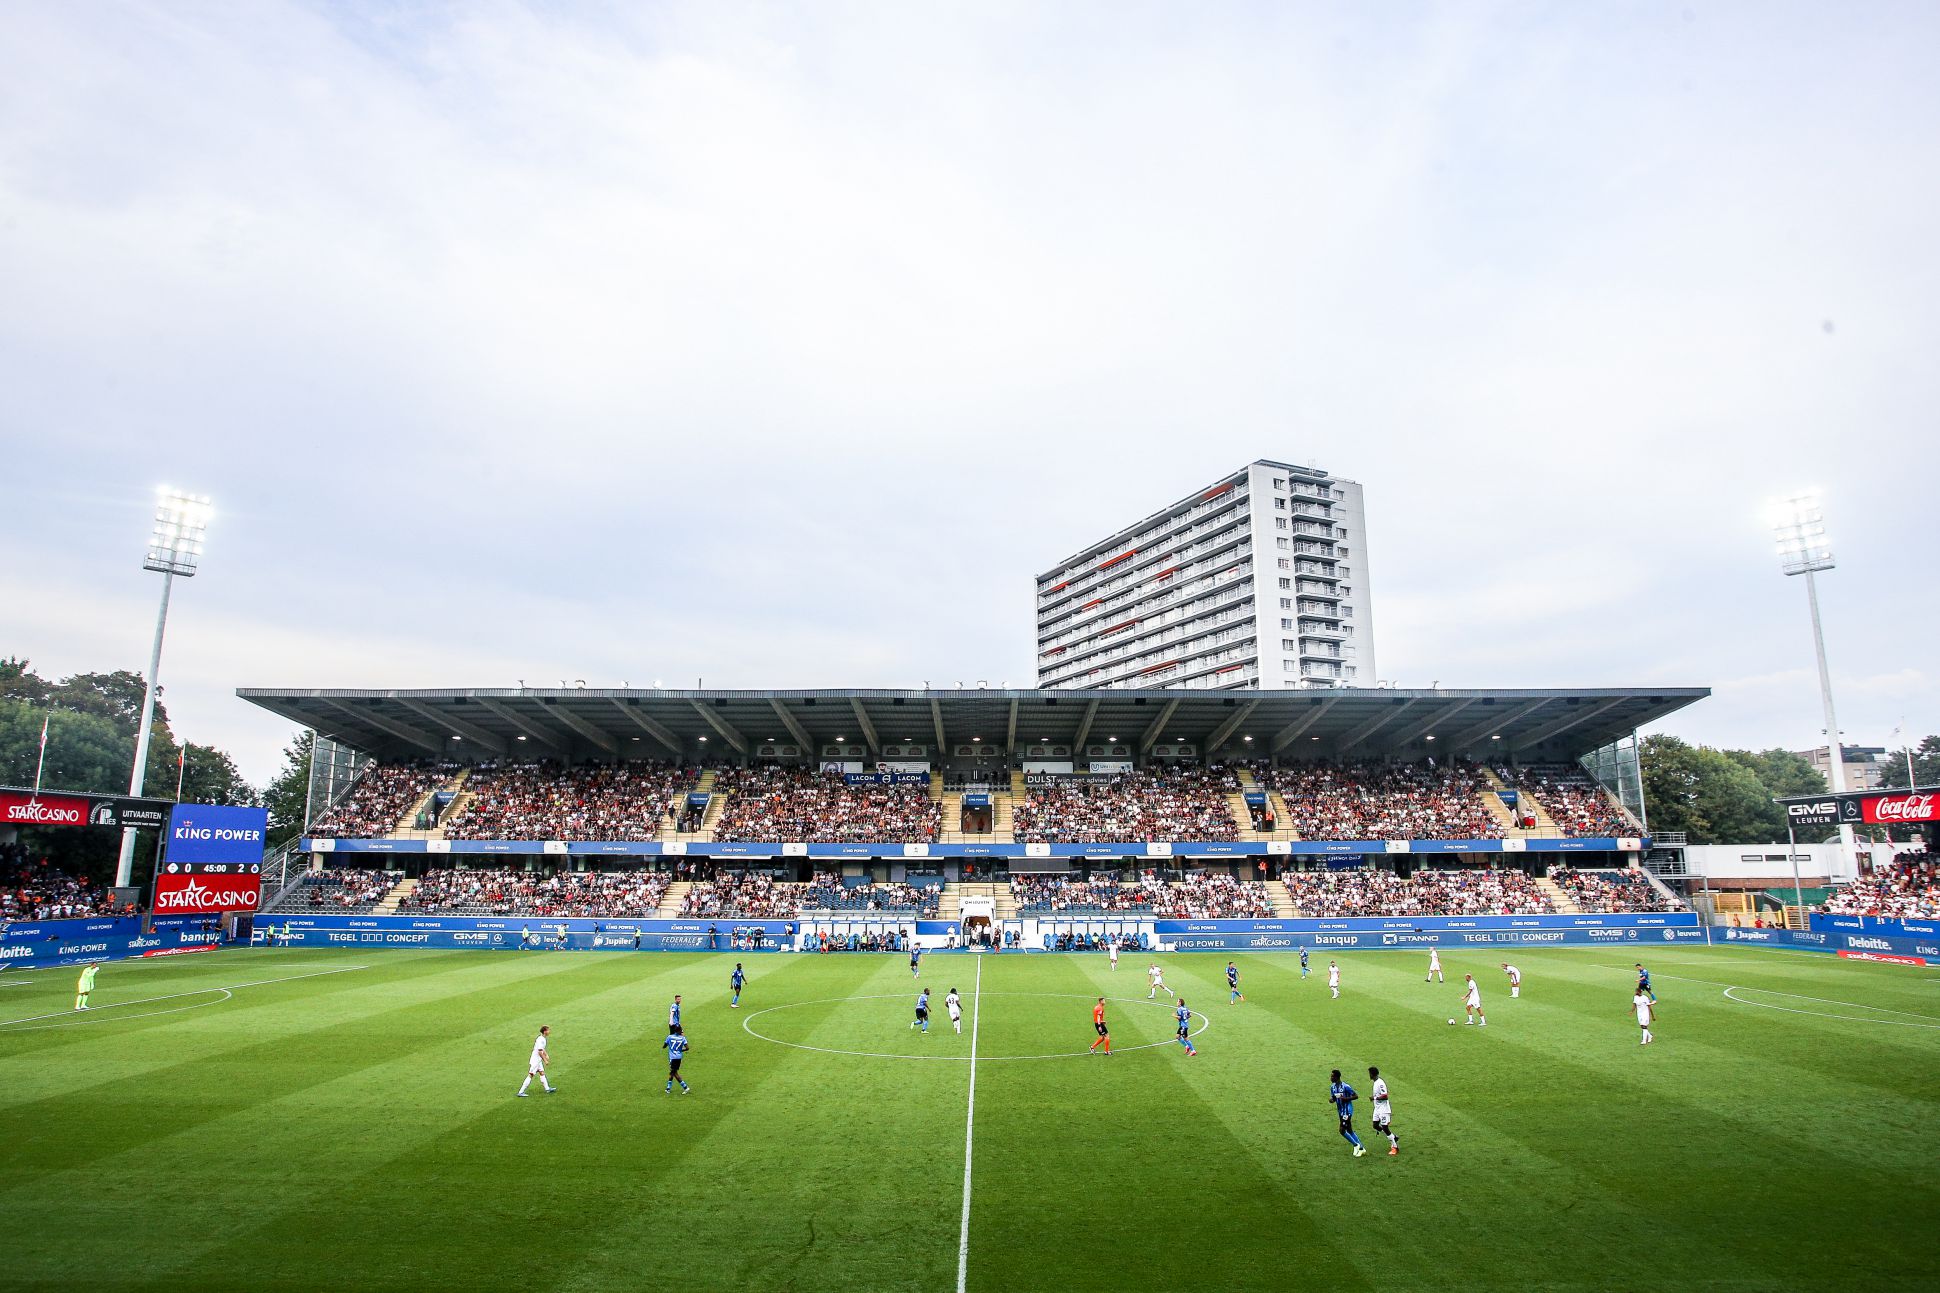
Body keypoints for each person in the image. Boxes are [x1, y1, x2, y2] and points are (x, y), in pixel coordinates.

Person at [1329, 1069, 1366, 1156]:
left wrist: (1346, 1099)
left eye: (1332, 1076)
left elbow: (1356, 1096)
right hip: (1340, 1111)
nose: (1330, 1078)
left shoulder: (1346, 1086)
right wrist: (1332, 1100)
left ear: (1337, 1077)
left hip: (1347, 1111)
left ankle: (1356, 1145)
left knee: (1342, 1130)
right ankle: (1361, 1148)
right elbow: (1334, 1098)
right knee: (1349, 1130)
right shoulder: (1332, 1087)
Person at [516, 1025, 555, 1096]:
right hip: (536, 1060)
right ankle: (521, 1092)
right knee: (531, 1074)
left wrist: (546, 1054)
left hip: (538, 1060)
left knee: (542, 1073)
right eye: (548, 1030)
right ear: (545, 1031)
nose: (549, 1032)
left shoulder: (542, 1038)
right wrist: (545, 1060)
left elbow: (542, 1049)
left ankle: (547, 1089)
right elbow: (539, 1052)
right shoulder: (541, 1039)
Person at [1368, 1066, 1399, 1155]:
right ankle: (1393, 1137)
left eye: (1369, 1073)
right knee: (1375, 1125)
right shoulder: (1375, 1082)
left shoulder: (1380, 1083)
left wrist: (1374, 1098)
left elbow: (1385, 1096)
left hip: (1384, 1109)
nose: (1369, 1075)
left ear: (1372, 1074)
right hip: (1377, 1109)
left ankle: (1394, 1147)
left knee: (1385, 1127)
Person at [663, 1025, 691, 1093]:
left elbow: (664, 1046)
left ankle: (685, 1087)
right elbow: (687, 1048)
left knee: (674, 1073)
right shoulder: (683, 1038)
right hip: (678, 1057)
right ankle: (668, 1088)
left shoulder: (669, 1037)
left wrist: (668, 1046)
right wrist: (680, 1050)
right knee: (672, 1072)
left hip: (673, 1057)